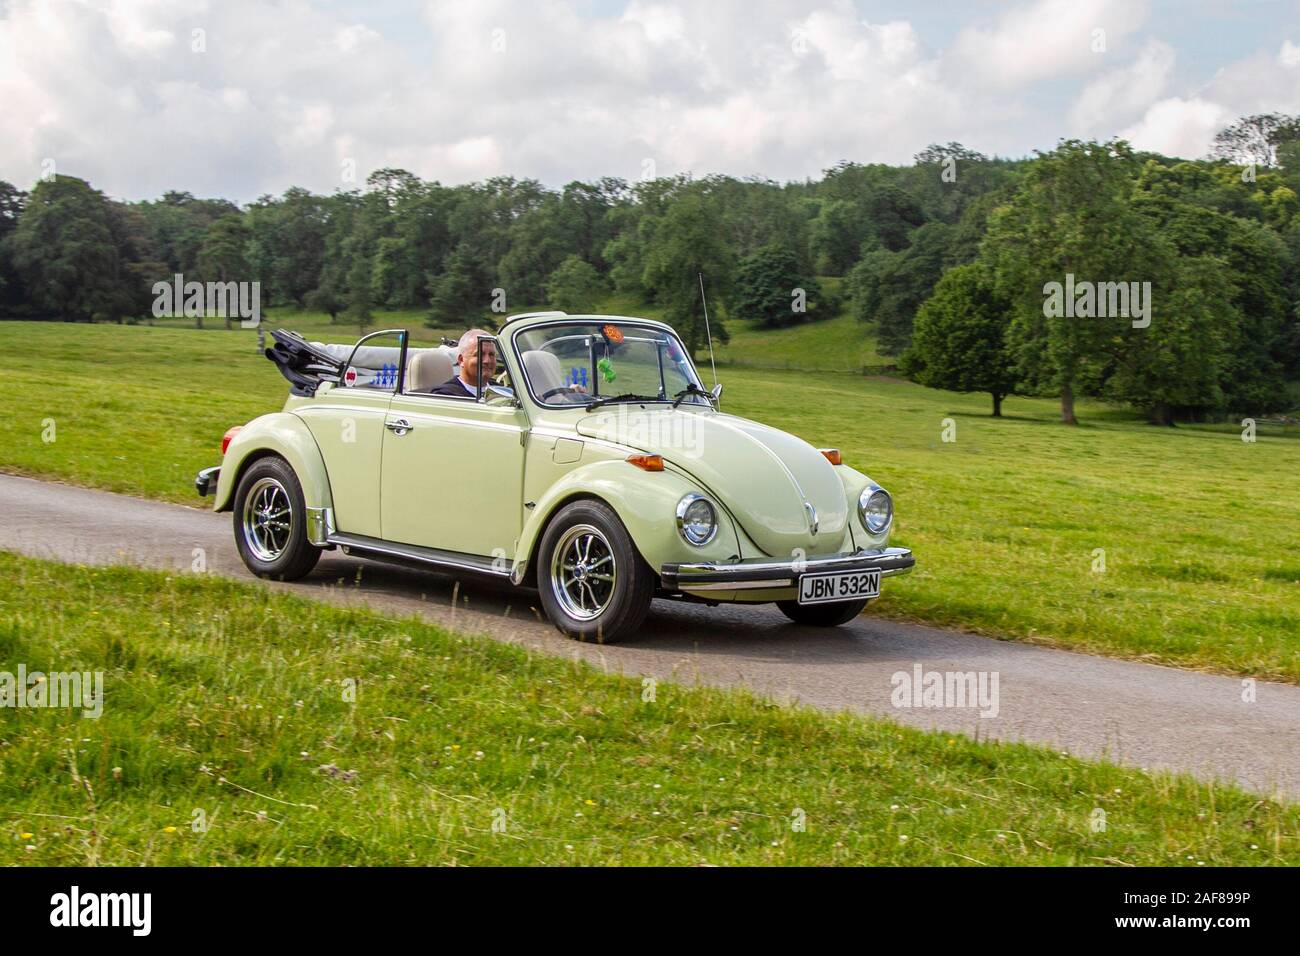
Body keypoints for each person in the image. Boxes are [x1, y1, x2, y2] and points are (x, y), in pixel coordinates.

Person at [429, 328, 496, 397]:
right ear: (461, 360)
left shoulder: (500, 390)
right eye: (479, 354)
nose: (487, 361)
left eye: (491, 354)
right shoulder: (446, 396)